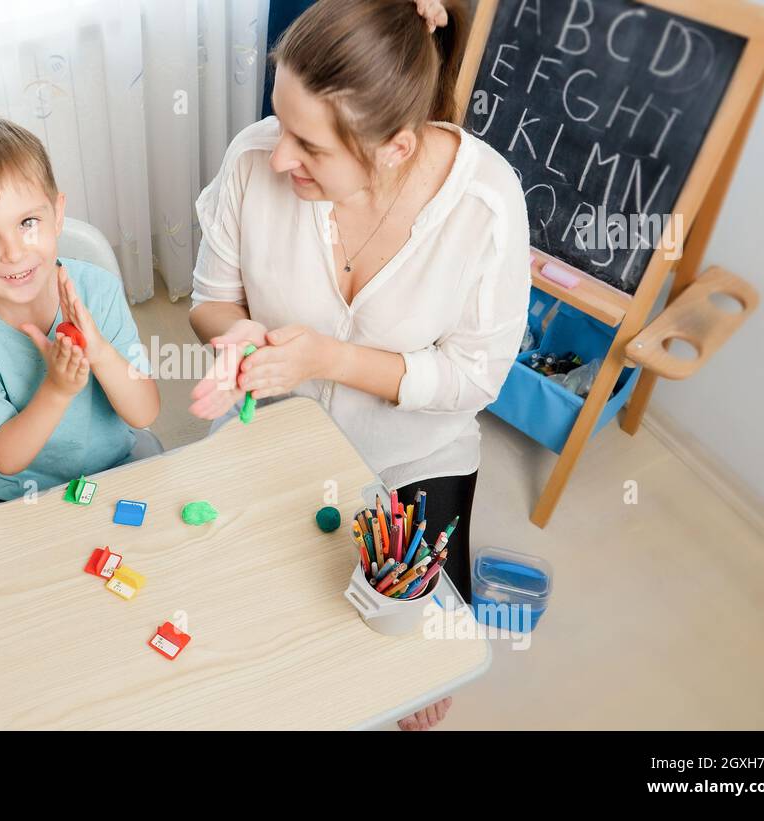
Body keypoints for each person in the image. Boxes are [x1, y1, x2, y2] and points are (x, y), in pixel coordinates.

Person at [187, 0, 529, 729]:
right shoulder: (253, 160)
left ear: (396, 147)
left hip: (415, 458)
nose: (279, 157)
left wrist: (332, 359)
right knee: (235, 633)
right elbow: (208, 303)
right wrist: (241, 334)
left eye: (309, 147)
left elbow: (475, 378)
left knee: (408, 662)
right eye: (280, 123)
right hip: (272, 438)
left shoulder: (486, 206)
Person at [0, 115, 159, 503]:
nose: (14, 251)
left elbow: (144, 415)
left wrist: (101, 353)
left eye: (27, 222)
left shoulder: (97, 291)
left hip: (110, 471)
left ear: (56, 216)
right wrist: (56, 390)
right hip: (9, 496)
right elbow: (5, 460)